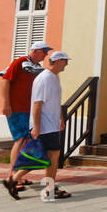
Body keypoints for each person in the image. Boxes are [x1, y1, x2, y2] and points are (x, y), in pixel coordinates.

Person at [0, 40, 51, 199]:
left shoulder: (36, 68)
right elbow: (5, 80)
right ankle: (12, 175)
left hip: (27, 110)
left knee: (26, 141)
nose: (46, 54)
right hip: (17, 109)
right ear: (34, 51)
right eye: (44, 51)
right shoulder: (20, 62)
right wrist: (6, 103)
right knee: (20, 140)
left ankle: (18, 176)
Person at [31, 49, 71, 200]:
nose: (66, 65)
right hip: (45, 125)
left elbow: (57, 101)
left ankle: (50, 187)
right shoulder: (44, 78)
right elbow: (37, 104)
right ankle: (48, 188)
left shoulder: (55, 77)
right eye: (65, 61)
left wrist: (61, 118)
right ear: (58, 61)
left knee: (53, 156)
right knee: (50, 157)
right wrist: (36, 126)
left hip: (51, 124)